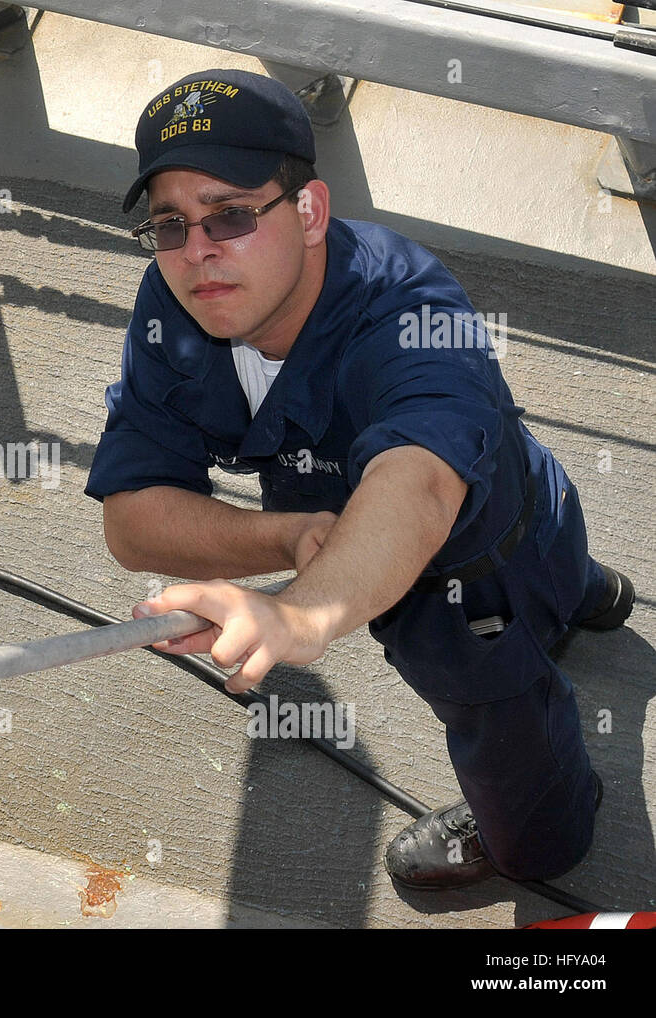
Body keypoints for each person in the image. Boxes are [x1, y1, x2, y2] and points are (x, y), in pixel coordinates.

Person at [85, 68, 635, 890]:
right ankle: (598, 600)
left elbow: (417, 488)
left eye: (231, 213)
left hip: (455, 587)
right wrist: (289, 536)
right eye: (171, 224)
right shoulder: (179, 301)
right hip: (522, 497)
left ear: (309, 211)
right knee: (565, 565)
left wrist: (299, 616)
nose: (198, 251)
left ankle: (539, 840)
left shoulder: (412, 304)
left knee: (504, 724)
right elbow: (131, 521)